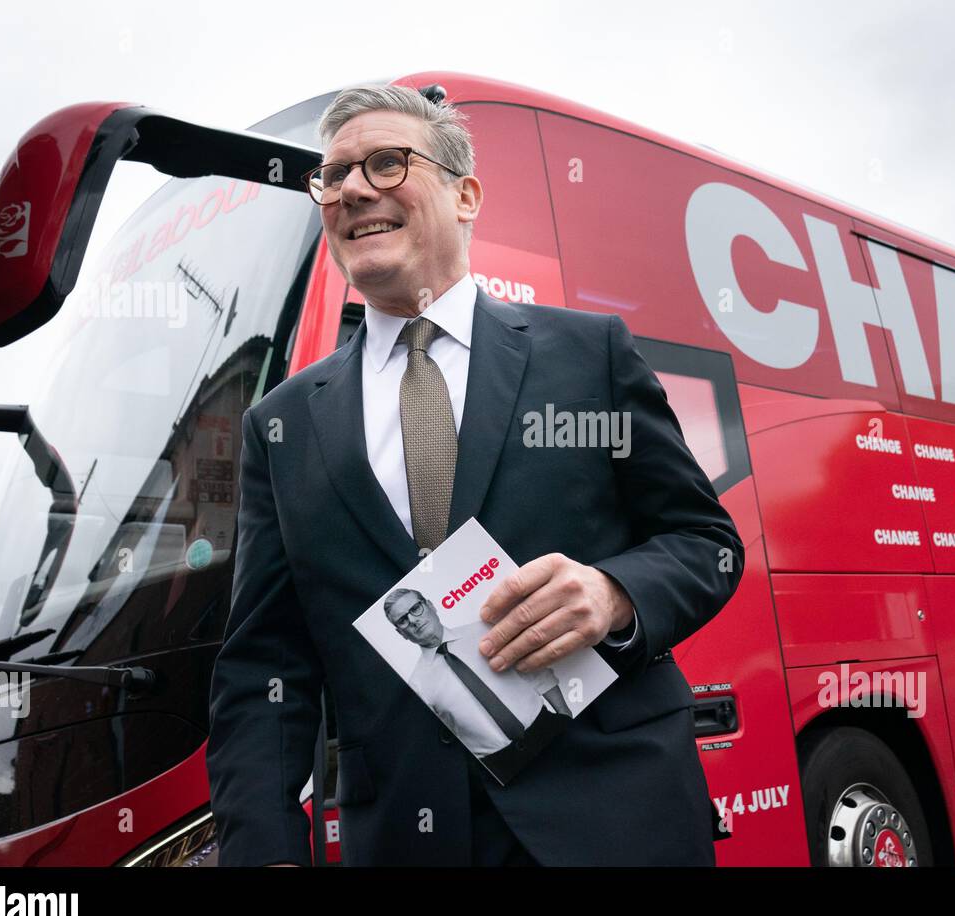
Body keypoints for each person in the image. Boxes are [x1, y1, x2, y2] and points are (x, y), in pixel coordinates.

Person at [206, 82, 744, 866]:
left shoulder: (589, 355)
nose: (352, 189)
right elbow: (264, 666)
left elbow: (706, 543)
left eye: (385, 164)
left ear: (466, 195)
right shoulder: (282, 425)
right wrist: (266, 853)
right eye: (333, 176)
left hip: (617, 821)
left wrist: (615, 594)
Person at [383, 587, 571, 783]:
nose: (413, 620)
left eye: (415, 608)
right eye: (403, 620)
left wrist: (564, 714)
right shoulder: (416, 685)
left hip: (546, 726)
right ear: (400, 633)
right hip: (499, 764)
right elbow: (442, 742)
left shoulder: (485, 631)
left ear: (430, 606)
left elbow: (535, 671)